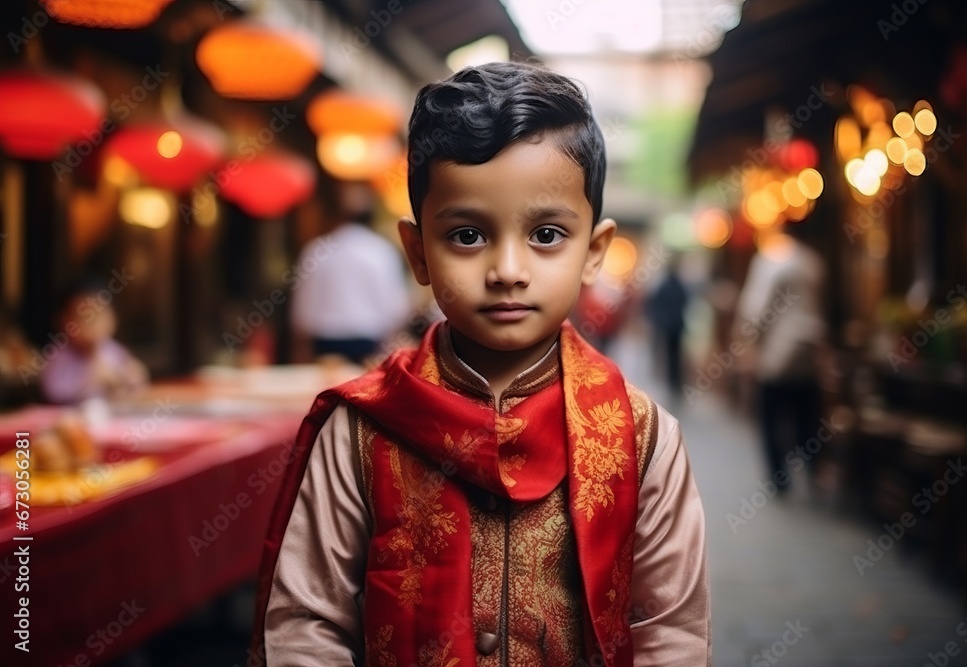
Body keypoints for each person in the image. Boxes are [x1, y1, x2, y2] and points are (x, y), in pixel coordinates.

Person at [252, 62, 710, 666]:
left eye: (547, 234)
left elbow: (670, 631)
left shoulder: (642, 434)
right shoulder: (362, 429)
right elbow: (305, 624)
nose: (508, 269)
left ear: (593, 252)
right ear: (418, 252)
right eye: (467, 236)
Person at [733, 225, 826, 494]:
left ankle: (779, 476)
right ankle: (812, 469)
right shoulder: (813, 261)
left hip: (777, 355)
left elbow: (757, 310)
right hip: (809, 351)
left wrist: (747, 343)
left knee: (771, 416)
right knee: (807, 416)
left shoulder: (769, 261)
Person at [290, 189, 413, 365]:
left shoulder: (315, 249)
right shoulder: (381, 250)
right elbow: (395, 307)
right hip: (368, 341)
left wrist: (300, 349)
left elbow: (303, 308)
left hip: (324, 342)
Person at [40, 282, 148, 404]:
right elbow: (53, 392)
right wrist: (89, 382)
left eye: (99, 315)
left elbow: (134, 381)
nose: (93, 324)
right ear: (64, 320)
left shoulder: (114, 351)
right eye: (84, 317)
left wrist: (132, 378)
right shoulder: (58, 355)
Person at [645, 256, 689, 393]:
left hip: (667, 325)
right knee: (675, 354)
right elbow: (685, 301)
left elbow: (655, 303)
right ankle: (675, 379)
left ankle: (671, 378)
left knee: (667, 353)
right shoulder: (679, 286)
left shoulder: (664, 286)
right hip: (676, 325)